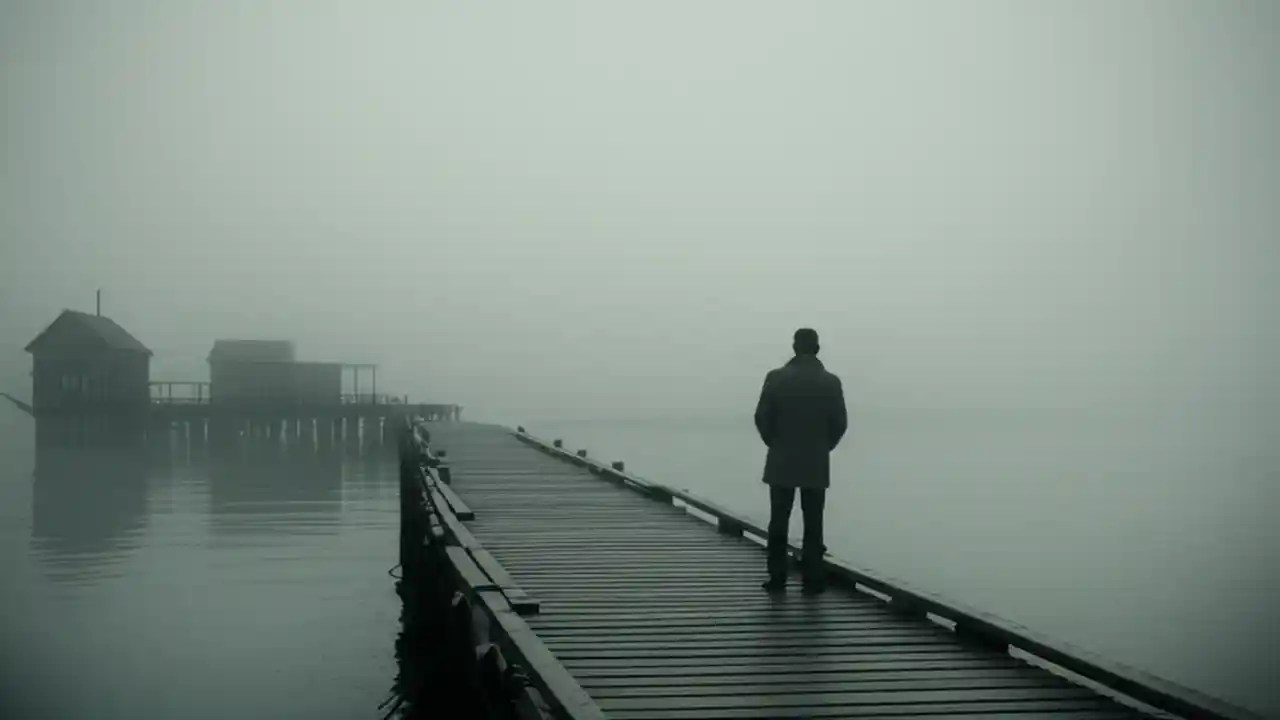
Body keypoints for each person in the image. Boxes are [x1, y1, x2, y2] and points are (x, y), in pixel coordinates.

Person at [753, 328, 848, 594]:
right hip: (815, 461)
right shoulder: (831, 382)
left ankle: (777, 577)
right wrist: (823, 447)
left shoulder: (775, 378)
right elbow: (840, 423)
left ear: (794, 347)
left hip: (781, 458)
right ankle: (813, 579)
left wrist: (775, 442)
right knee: (814, 522)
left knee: (778, 520)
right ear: (817, 348)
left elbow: (761, 417)